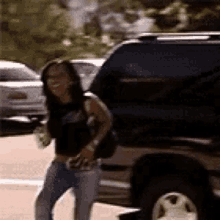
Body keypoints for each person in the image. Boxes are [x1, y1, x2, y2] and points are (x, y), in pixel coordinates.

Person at [34, 59, 112, 220]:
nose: (54, 81)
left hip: (87, 168)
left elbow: (106, 121)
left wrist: (92, 146)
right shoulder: (52, 105)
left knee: (81, 215)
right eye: (49, 77)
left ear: (71, 79)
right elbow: (50, 136)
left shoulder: (88, 101)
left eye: (59, 76)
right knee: (42, 204)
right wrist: (44, 134)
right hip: (59, 166)